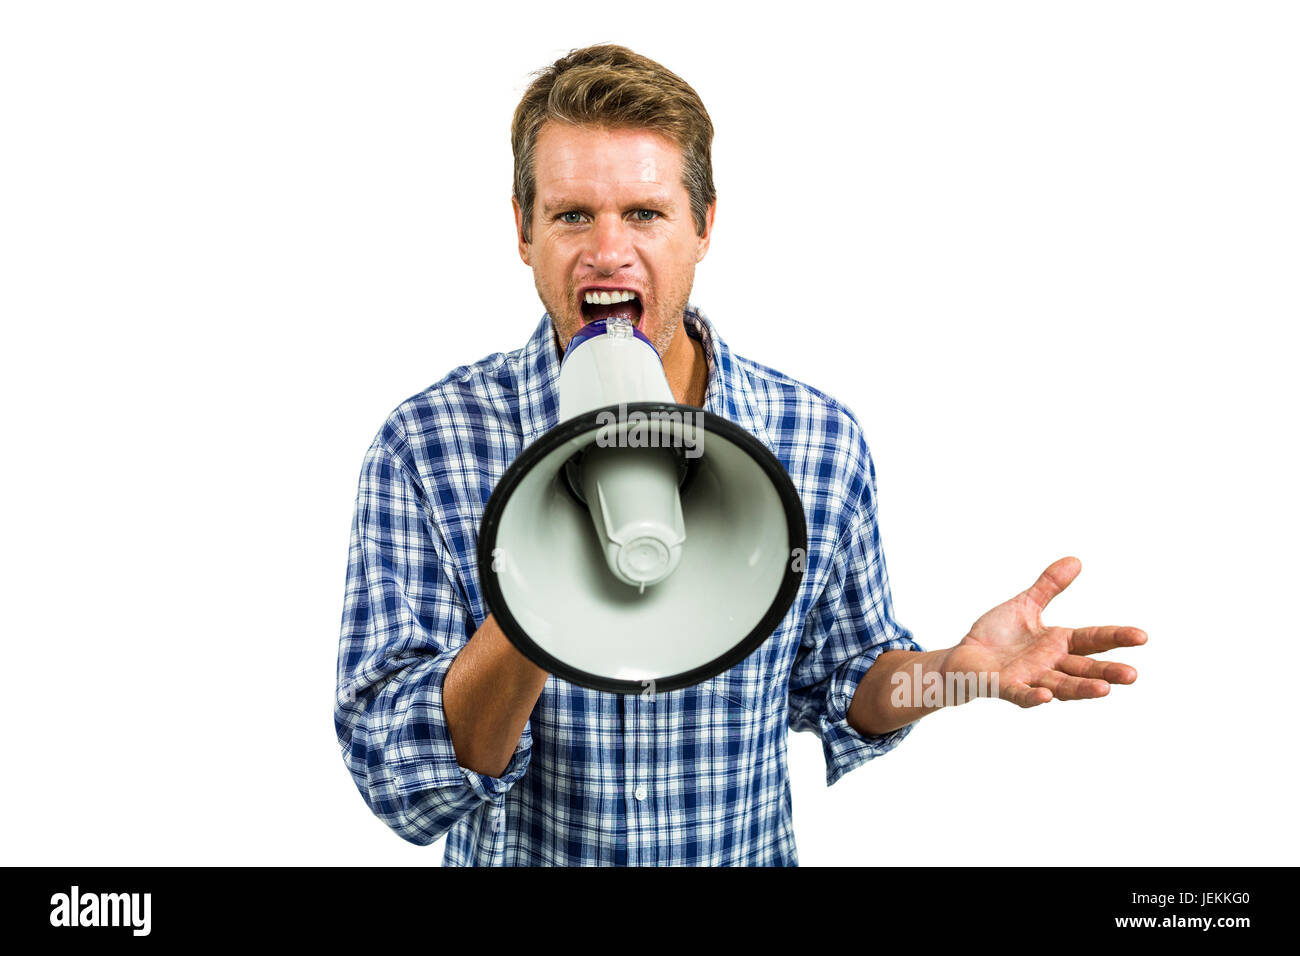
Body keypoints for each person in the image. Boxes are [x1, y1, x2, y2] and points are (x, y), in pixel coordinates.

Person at [334, 44, 1146, 866]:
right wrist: (540, 602)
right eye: (572, 213)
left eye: (645, 214)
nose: (608, 250)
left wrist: (949, 676)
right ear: (523, 229)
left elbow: (845, 685)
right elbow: (402, 781)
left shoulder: (814, 440)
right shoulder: (427, 447)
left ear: (703, 226)